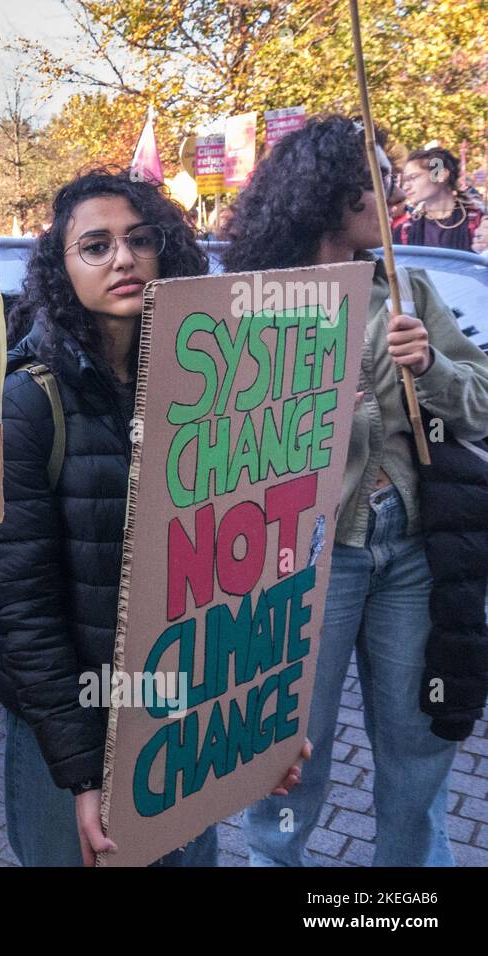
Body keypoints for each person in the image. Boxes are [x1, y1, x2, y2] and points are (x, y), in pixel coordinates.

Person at [0, 169, 308, 867]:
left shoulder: (221, 384)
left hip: (184, 719)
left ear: (168, 251)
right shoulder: (28, 404)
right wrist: (81, 772)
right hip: (71, 731)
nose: (123, 258)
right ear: (62, 272)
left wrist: (260, 724)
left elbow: (248, 564)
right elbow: (23, 608)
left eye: (139, 239)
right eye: (95, 246)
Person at [225, 115, 488, 866]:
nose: (391, 192)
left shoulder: (412, 287)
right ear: (327, 194)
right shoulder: (252, 302)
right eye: (374, 175)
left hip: (409, 551)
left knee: (417, 744)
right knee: (284, 752)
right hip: (305, 558)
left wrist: (431, 365)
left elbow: (482, 399)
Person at [396, 147, 483, 251]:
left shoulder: (478, 222)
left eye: (414, 177)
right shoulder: (406, 230)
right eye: (405, 181)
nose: (406, 187)